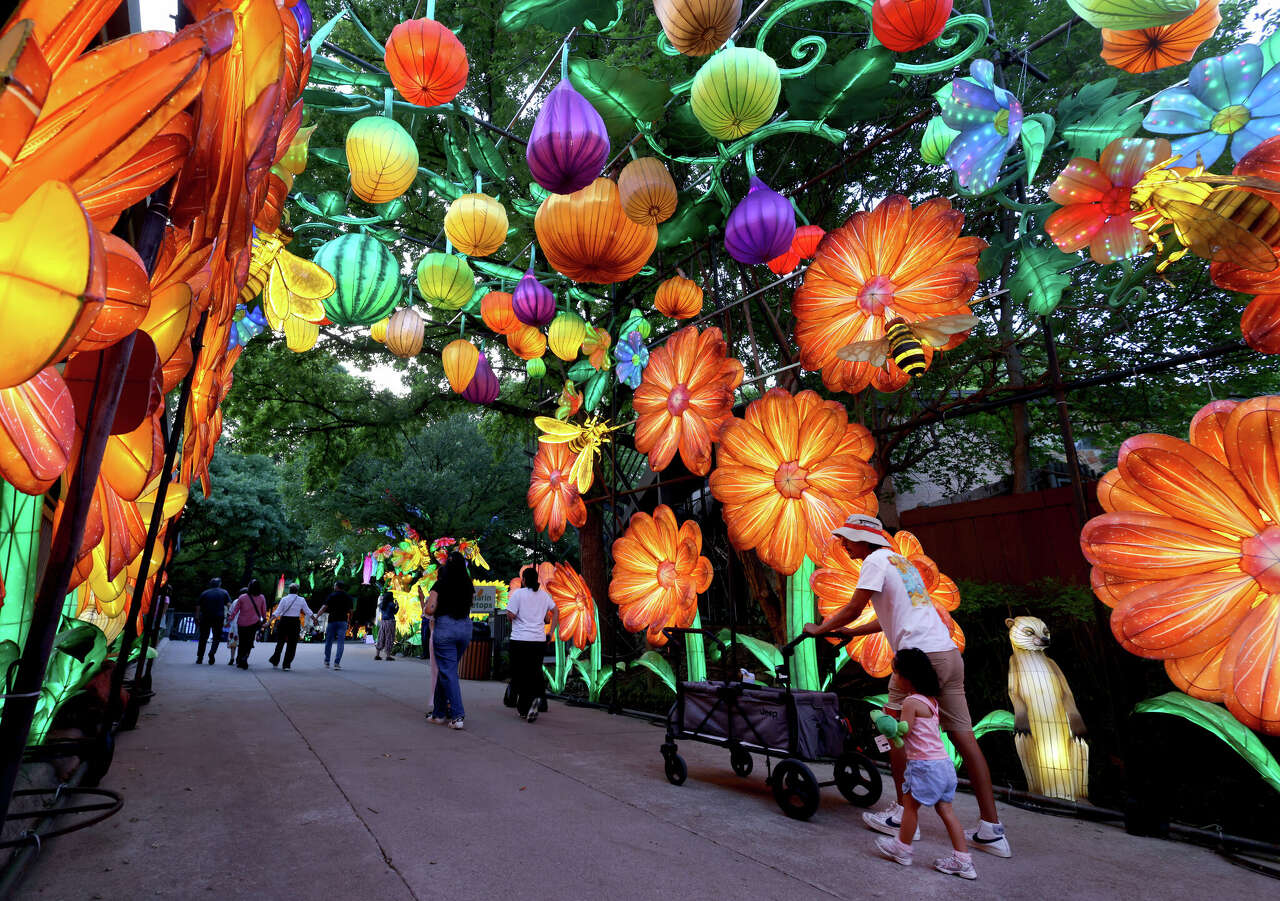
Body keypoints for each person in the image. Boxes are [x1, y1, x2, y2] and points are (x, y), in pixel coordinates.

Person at [804, 513, 1010, 858]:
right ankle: (992, 830)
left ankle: (902, 816)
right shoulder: (900, 562)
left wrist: (821, 629)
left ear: (865, 539)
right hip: (947, 655)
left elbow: (855, 606)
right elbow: (897, 617)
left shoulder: (872, 560)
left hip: (916, 661)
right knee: (965, 739)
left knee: (892, 729)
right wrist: (851, 634)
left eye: (847, 538)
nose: (843, 543)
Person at [872, 649, 977, 880]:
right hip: (943, 766)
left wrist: (886, 724)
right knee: (947, 811)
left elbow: (904, 731)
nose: (895, 677)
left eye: (896, 673)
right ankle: (963, 861)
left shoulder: (910, 701)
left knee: (910, 808)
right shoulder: (931, 701)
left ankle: (902, 849)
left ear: (907, 677)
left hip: (924, 766)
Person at [425, 551, 473, 730]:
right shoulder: (468, 584)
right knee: (447, 670)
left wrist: (429, 606)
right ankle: (438, 714)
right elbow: (470, 604)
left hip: (445, 628)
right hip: (465, 629)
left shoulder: (440, 583)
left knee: (448, 672)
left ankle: (457, 715)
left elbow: (430, 609)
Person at [505, 565, 557, 723]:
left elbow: (511, 615)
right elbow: (556, 612)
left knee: (520, 673)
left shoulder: (518, 594)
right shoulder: (544, 596)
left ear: (524, 580)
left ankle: (524, 708)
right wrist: (551, 631)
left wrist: (511, 614)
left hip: (520, 640)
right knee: (534, 672)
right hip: (538, 640)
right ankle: (535, 699)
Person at [269, 583, 313, 671]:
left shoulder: (284, 599)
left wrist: (269, 621)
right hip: (294, 622)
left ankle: (275, 661)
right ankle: (286, 664)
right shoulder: (301, 599)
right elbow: (307, 611)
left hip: (284, 621)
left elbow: (277, 612)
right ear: (297, 590)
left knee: (280, 642)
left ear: (289, 590)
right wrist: (314, 619)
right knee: (292, 644)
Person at [227, 579, 267, 669]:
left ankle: (240, 659)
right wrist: (264, 619)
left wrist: (229, 619)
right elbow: (263, 610)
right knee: (249, 642)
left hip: (241, 623)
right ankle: (245, 658)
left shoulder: (242, 597)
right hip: (254, 623)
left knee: (242, 642)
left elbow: (235, 611)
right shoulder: (261, 597)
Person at [316, 581, 354, 670]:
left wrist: (316, 617)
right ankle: (337, 663)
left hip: (332, 621)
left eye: (334, 585)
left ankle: (327, 661)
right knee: (340, 642)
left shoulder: (331, 596)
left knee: (329, 641)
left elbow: (324, 608)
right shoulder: (348, 597)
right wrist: (349, 621)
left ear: (336, 587)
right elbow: (351, 611)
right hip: (343, 621)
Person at [194, 578, 231, 665]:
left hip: (205, 617)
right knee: (216, 637)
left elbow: (198, 606)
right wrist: (230, 616)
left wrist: (196, 617)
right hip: (218, 617)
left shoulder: (204, 593)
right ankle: (212, 652)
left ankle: (200, 657)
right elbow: (229, 605)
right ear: (220, 584)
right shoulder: (224, 592)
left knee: (203, 637)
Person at [374, 591, 399, 661]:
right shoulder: (391, 604)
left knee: (381, 637)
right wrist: (397, 605)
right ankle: (388, 656)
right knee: (389, 637)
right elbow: (395, 612)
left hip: (383, 622)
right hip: (390, 622)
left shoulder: (382, 604)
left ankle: (377, 655)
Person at [225, 588, 247, 666]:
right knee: (242, 643)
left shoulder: (235, 601)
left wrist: (228, 621)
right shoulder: (249, 602)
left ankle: (232, 658)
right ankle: (239, 658)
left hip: (234, 625)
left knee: (233, 643)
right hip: (244, 625)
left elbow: (230, 613)